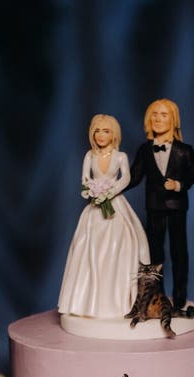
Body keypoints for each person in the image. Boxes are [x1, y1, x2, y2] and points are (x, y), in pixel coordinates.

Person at [58, 114, 150, 319]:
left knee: (118, 245)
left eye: (105, 131)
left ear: (114, 134)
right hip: (94, 209)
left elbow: (126, 178)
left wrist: (110, 192)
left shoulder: (120, 157)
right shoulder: (89, 156)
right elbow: (85, 178)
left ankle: (117, 300)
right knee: (89, 248)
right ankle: (88, 302)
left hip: (115, 206)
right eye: (97, 131)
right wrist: (87, 191)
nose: (100, 135)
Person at [129, 99, 194, 308]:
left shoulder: (185, 150)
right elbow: (134, 177)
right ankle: (156, 298)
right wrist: (110, 189)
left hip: (177, 206)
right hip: (154, 207)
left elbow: (193, 175)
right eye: (155, 114)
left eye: (164, 115)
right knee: (154, 254)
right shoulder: (144, 150)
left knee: (179, 252)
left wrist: (178, 185)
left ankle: (179, 300)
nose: (158, 119)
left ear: (173, 120)